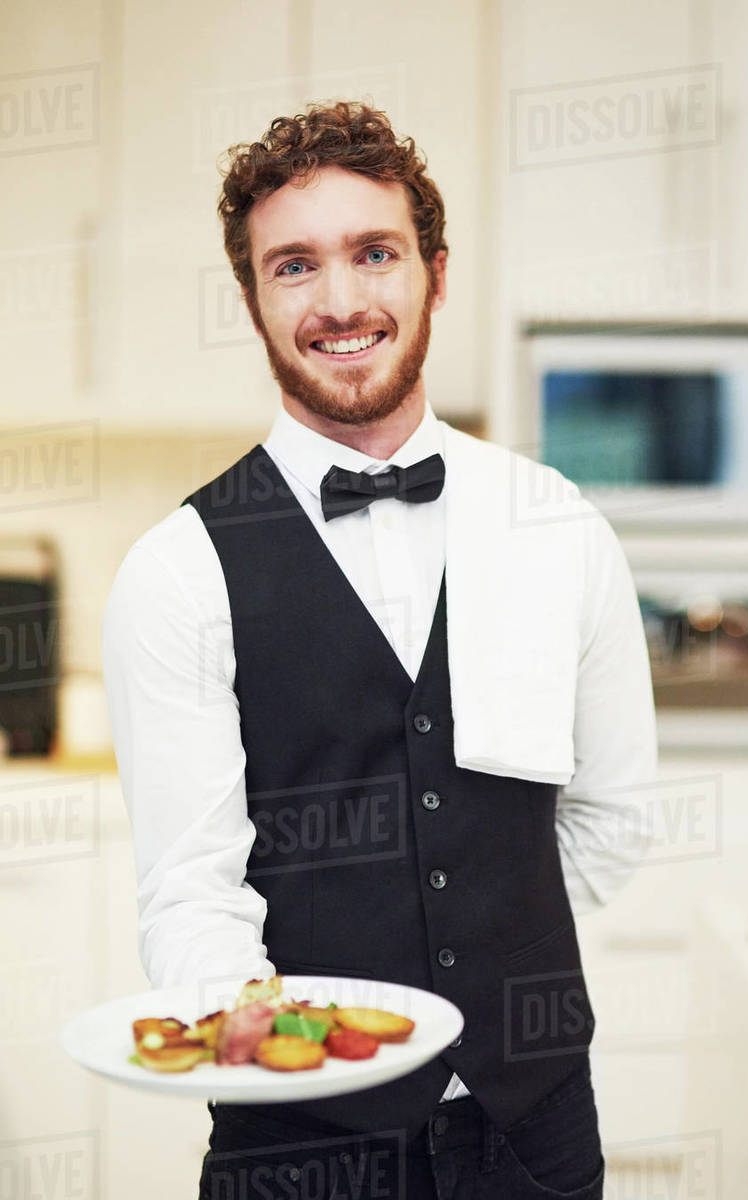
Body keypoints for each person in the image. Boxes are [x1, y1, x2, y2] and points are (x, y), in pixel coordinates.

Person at [103, 100, 657, 1200]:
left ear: (434, 276)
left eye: (375, 254)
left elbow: (609, 818)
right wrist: (297, 1038)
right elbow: (190, 893)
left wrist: (490, 960)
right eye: (295, 266)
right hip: (296, 1144)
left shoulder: (555, 522)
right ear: (253, 301)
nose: (342, 300)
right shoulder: (175, 570)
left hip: (534, 1133)